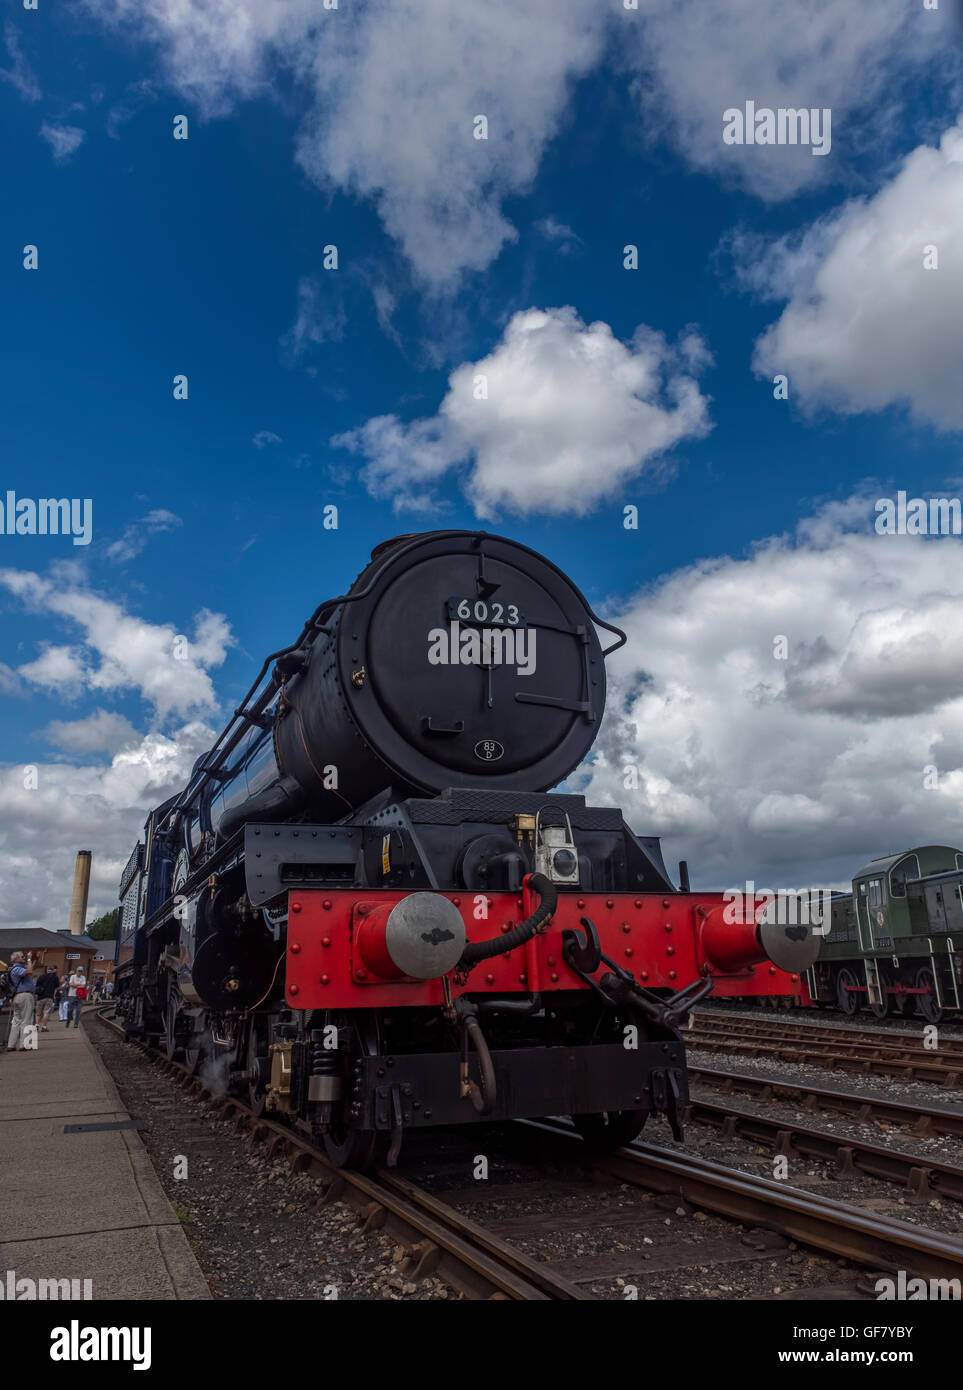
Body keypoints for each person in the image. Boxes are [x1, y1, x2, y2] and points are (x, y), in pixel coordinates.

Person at [6, 951, 37, 1050]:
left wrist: (33, 960)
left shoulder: (16, 968)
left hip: (18, 996)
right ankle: (24, 1044)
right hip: (25, 995)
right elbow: (29, 972)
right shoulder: (17, 968)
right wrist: (28, 959)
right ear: (16, 959)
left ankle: (11, 1045)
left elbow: (30, 969)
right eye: (22, 956)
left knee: (16, 1021)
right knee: (27, 1019)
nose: (23, 957)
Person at [35, 964, 58, 1031]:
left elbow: (37, 985)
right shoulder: (55, 977)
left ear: (47, 970)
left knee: (38, 1012)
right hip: (49, 997)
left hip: (40, 997)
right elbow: (57, 986)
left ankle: (36, 1025)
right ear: (53, 970)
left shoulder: (41, 976)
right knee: (46, 1012)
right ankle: (44, 1027)